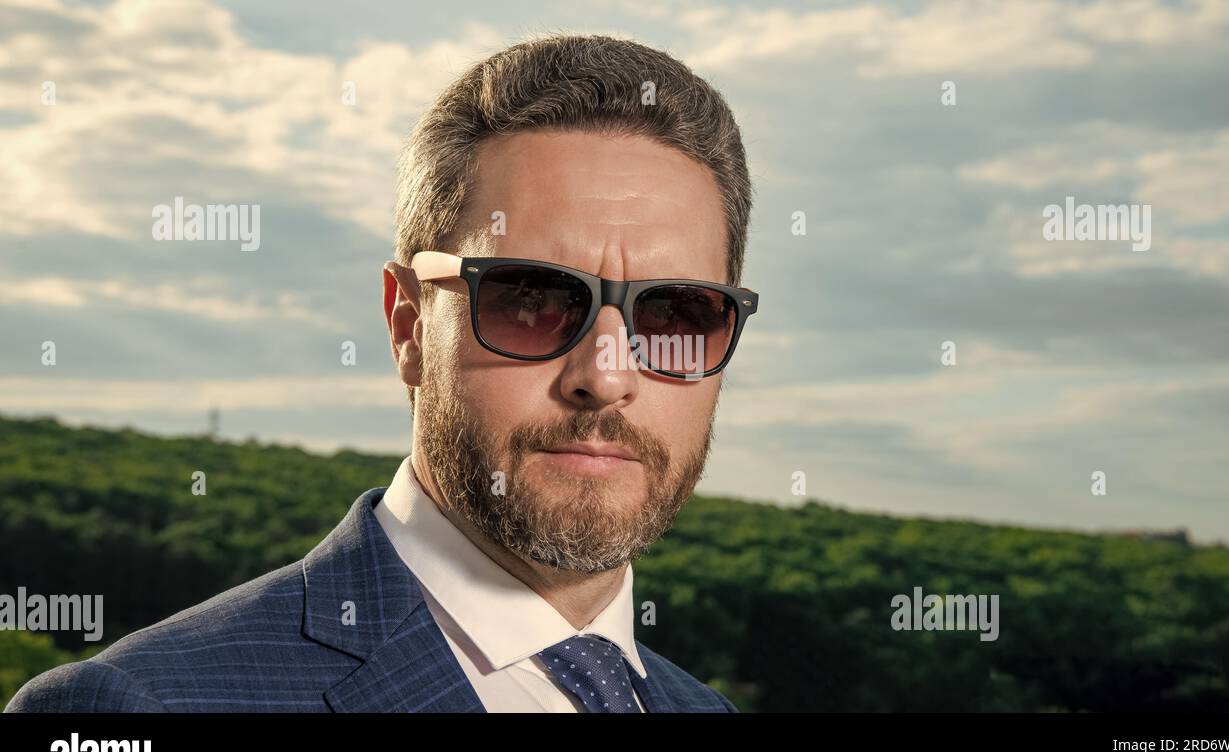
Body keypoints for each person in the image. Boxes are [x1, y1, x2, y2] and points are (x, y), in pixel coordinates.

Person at [6, 32, 757, 713]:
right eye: (529, 298)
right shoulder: (135, 707)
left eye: (677, 313)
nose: (606, 374)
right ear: (407, 325)